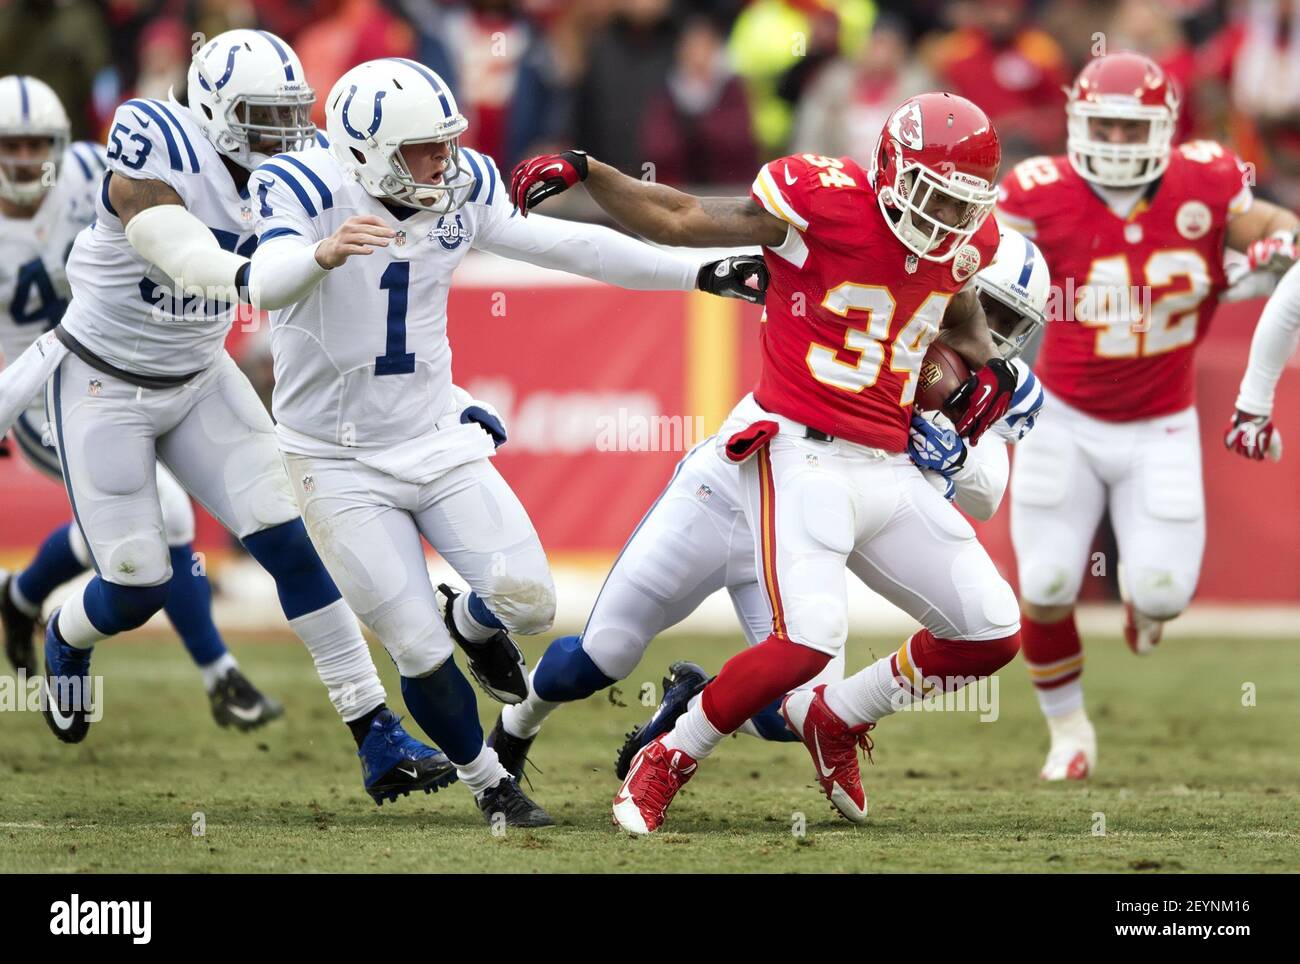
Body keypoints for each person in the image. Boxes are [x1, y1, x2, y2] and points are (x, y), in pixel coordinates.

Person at [243, 57, 766, 826]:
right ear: (365, 152)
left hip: (433, 434)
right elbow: (263, 278)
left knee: (530, 601)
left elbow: (575, 249)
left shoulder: (459, 184)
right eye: (423, 148)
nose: (443, 160)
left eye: (446, 142)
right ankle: (490, 781)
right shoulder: (304, 185)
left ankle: (475, 622)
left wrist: (696, 273)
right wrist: (321, 254)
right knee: (416, 649)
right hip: (333, 457)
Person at [511, 91, 1025, 834]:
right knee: (806, 637)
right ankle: (668, 758)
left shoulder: (963, 241)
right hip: (800, 448)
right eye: (930, 196)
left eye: (960, 207)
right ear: (890, 170)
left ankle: (837, 718)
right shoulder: (822, 203)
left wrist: (987, 372)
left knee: (991, 628)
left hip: (887, 464)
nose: (943, 220)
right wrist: (592, 171)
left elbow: (961, 307)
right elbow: (679, 218)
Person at [28, 30, 458, 806]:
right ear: (213, 110)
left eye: (290, 116)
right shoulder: (153, 134)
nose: (282, 136)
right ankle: (65, 630)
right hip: (103, 379)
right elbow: (171, 241)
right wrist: (252, 276)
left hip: (198, 376)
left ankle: (376, 733)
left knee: (294, 544)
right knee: (137, 587)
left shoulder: (304, 160)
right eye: (261, 116)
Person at [996, 51, 1300, 780]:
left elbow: (1275, 225)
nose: (1119, 142)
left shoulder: (1207, 179)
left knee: (1163, 592)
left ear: (1164, 130)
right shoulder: (1038, 192)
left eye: (1134, 130)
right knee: (1042, 584)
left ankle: (1145, 606)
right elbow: (975, 269)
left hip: (1160, 423)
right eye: (1105, 125)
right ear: (1077, 121)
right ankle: (1069, 734)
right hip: (1061, 417)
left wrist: (1274, 242)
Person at [0, 73, 284, 730]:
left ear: (62, 143)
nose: (22, 160)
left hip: (141, 360)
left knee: (142, 527)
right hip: (52, 382)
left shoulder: (88, 175)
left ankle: (21, 596)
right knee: (165, 517)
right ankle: (220, 674)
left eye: (34, 145)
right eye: (9, 146)